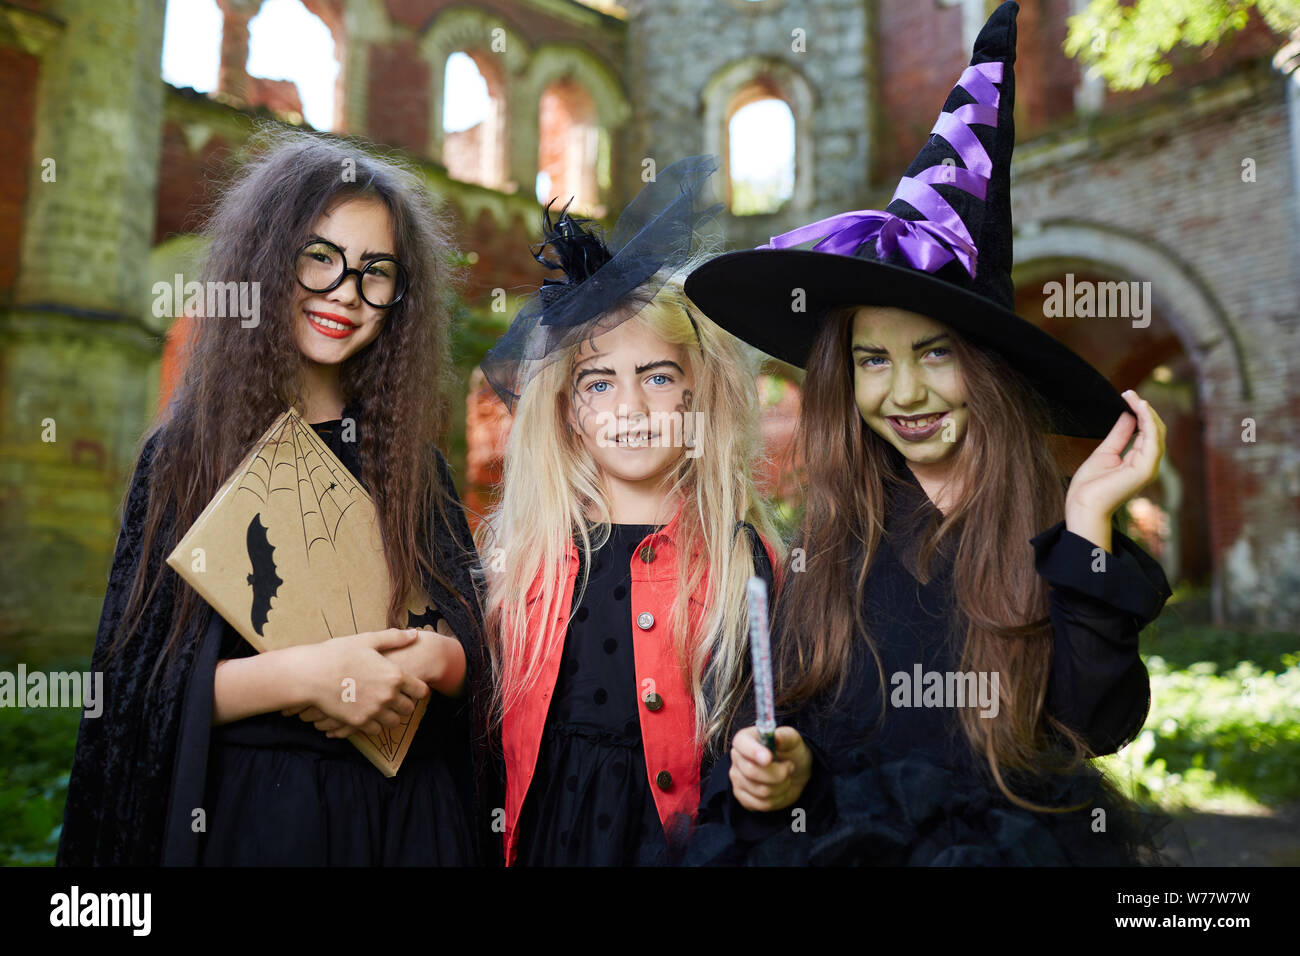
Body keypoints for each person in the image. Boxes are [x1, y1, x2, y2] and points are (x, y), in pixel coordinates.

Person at [682, 2, 1172, 865]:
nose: (903, 391)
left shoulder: (1059, 533)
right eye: (872, 360)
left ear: (985, 367)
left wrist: (1089, 521)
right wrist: (781, 774)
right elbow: (796, 723)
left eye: (934, 353)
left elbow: (1097, 722)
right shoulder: (839, 538)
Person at [58, 129, 497, 866]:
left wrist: (436, 661)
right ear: (267, 264)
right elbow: (131, 696)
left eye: (376, 272)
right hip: (255, 820)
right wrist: (307, 678)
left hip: (410, 823)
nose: (346, 295)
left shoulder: (412, 466)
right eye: (319, 259)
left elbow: (476, 656)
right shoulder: (186, 458)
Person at [479, 156, 781, 865]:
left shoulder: (744, 560)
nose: (632, 409)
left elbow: (768, 726)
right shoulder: (522, 555)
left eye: (657, 376)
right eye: (598, 382)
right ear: (567, 410)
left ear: (697, 395)